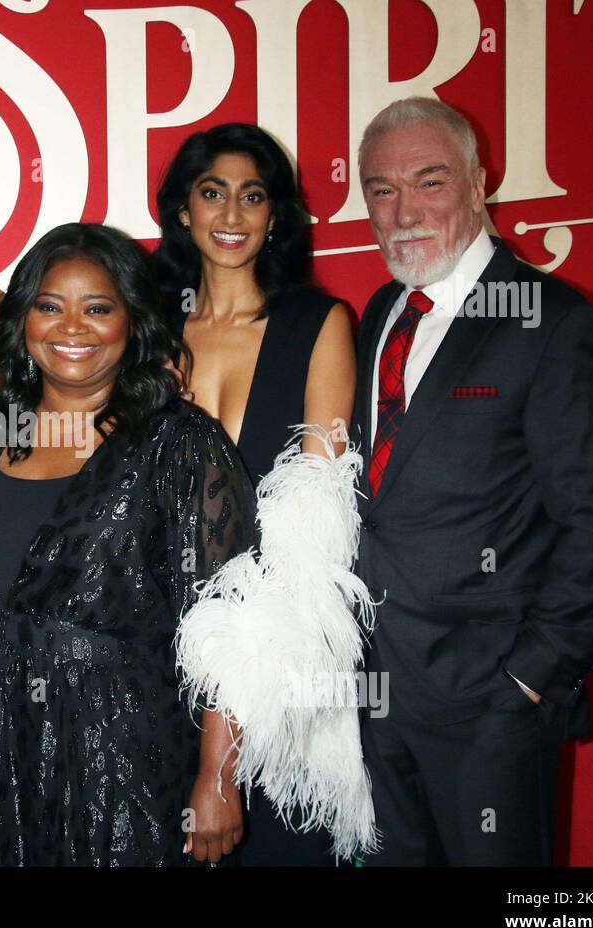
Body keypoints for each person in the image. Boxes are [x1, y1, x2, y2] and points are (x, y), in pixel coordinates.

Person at [351, 97, 593, 865]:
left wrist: (529, 682)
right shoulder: (381, 309)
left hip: (491, 707)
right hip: (372, 699)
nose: (404, 211)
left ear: (479, 185)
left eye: (430, 181)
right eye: (381, 190)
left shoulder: (553, 321)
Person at [0, 222, 256, 866]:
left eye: (97, 308)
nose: (70, 327)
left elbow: (234, 627)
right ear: (23, 319)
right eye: (49, 306)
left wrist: (218, 777)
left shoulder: (180, 443)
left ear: (132, 321)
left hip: (118, 746)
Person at [153, 123, 360, 866]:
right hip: (150, 672)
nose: (233, 216)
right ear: (183, 210)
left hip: (275, 675)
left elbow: (308, 546)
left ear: (276, 216)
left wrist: (223, 759)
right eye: (213, 194)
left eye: (253, 196)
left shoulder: (319, 325)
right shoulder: (144, 326)